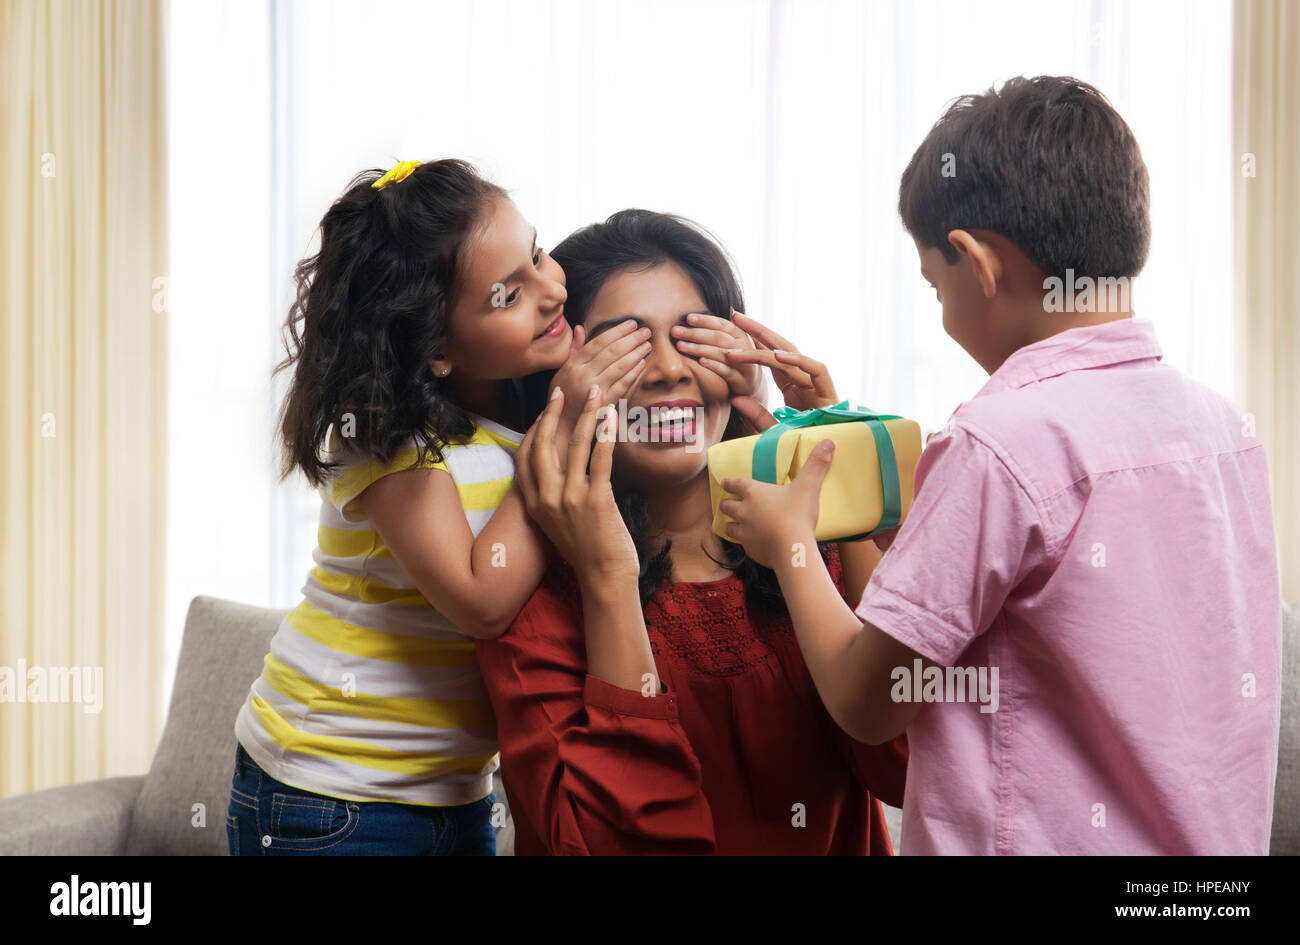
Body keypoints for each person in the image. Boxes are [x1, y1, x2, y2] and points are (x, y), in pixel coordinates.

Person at [720, 76, 1282, 854]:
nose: (943, 314)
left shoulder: (997, 442)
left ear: (976, 262)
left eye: (935, 288)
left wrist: (788, 544)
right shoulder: (1223, 429)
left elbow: (868, 697)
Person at [227, 158, 650, 855]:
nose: (551, 291)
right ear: (437, 349)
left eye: (538, 253)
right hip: (329, 789)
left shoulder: (522, 413)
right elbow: (481, 599)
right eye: (506, 295)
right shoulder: (388, 439)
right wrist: (566, 415)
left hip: (456, 792)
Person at [475, 209, 908, 855]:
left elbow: (901, 765)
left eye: (692, 337)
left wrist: (841, 472)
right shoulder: (536, 595)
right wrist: (607, 581)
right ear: (562, 384)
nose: (668, 370)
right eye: (626, 347)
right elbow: (607, 844)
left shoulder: (808, 548)